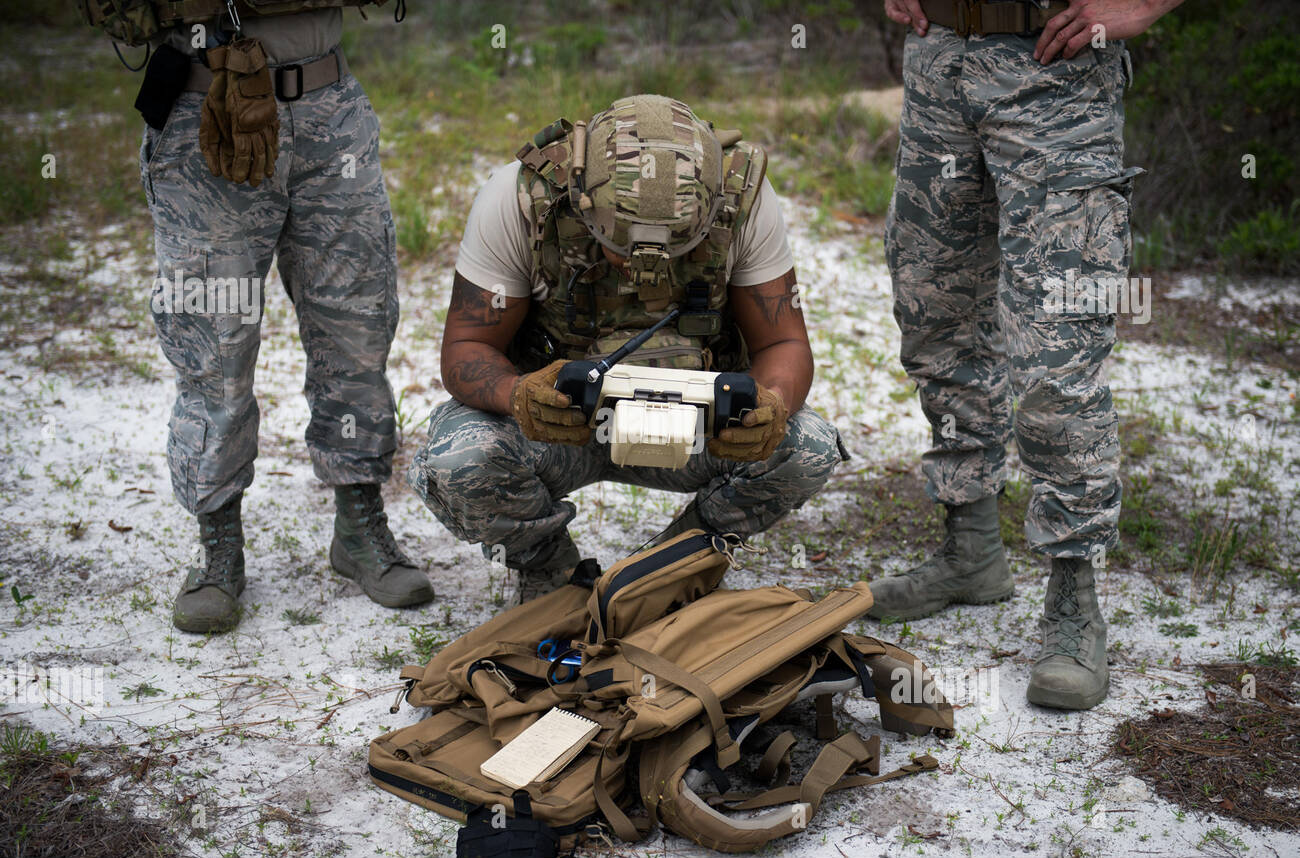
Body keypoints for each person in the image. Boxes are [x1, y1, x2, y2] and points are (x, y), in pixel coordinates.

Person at [408, 94, 848, 603]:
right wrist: (518, 394)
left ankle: (680, 562)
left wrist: (770, 405)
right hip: (560, 423)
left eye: (675, 246)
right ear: (580, 197)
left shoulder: (740, 195)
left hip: (698, 422)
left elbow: (784, 341)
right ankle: (551, 573)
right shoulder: (521, 196)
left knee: (806, 445)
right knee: (461, 457)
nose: (642, 266)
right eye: (618, 245)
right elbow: (465, 347)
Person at [84, 1, 434, 632]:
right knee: (214, 343)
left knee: (355, 322)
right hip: (206, 108)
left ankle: (360, 525)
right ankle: (219, 547)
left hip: (329, 110)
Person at [875, 0, 1184, 709]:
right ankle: (971, 548)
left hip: (1056, 71)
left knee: (1058, 349)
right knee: (935, 311)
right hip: (940, 60)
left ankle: (1074, 599)